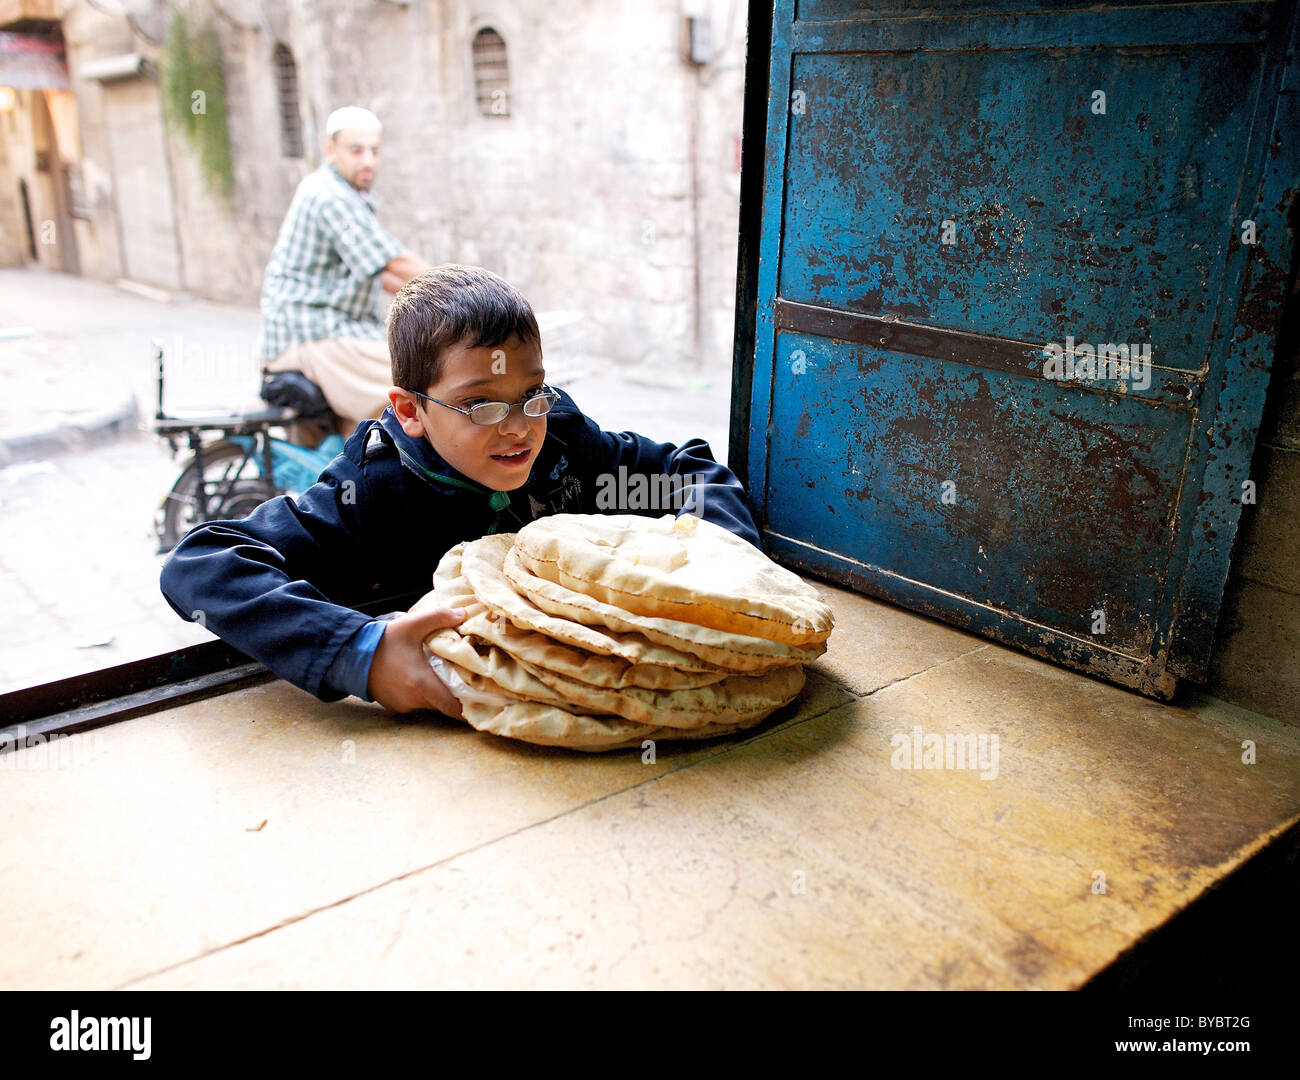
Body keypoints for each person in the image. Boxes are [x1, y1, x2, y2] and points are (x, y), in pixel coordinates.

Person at [161, 264, 761, 719]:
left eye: (534, 393)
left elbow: (689, 471)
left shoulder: (566, 450)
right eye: (479, 404)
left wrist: (716, 559)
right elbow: (202, 565)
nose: (519, 426)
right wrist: (360, 654)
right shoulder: (371, 494)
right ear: (410, 410)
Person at [259, 105, 432, 439]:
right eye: (356, 150)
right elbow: (392, 262)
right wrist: (465, 293)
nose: (367, 160)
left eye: (374, 151)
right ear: (330, 150)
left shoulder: (350, 197)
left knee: (363, 442)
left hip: (333, 334)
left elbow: (388, 277)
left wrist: (426, 305)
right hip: (311, 334)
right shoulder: (328, 195)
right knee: (419, 386)